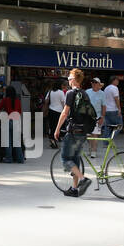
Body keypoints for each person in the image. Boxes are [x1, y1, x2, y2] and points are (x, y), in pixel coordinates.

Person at [52, 68, 95, 198]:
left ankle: (83, 179)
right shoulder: (85, 93)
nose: (68, 80)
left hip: (73, 131)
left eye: (69, 78)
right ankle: (74, 189)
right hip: (83, 132)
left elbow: (65, 113)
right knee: (75, 160)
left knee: (65, 158)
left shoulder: (70, 93)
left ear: (75, 80)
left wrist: (57, 128)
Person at [45, 80, 67, 149]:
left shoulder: (50, 91)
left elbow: (46, 100)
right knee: (58, 126)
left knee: (52, 126)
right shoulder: (60, 92)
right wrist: (65, 111)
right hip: (59, 112)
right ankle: (54, 139)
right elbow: (63, 102)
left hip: (51, 111)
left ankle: (53, 139)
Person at [101, 74, 123, 138]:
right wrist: (119, 109)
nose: (118, 81)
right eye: (117, 80)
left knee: (107, 127)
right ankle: (110, 139)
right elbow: (116, 99)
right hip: (114, 110)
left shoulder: (106, 88)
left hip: (107, 110)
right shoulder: (115, 88)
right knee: (119, 126)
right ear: (113, 80)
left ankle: (105, 142)